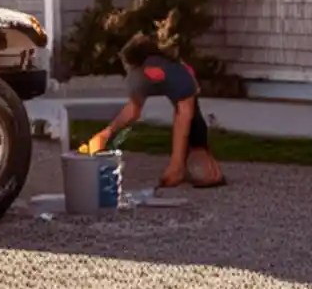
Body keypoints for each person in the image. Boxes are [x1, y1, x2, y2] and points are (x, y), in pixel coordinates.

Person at [82, 32, 226, 189]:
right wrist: (108, 132)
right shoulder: (164, 67)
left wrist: (175, 165)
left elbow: (138, 111)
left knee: (191, 129)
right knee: (194, 126)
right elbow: (133, 111)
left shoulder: (141, 76)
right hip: (185, 82)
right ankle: (207, 172)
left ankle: (197, 172)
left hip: (184, 87)